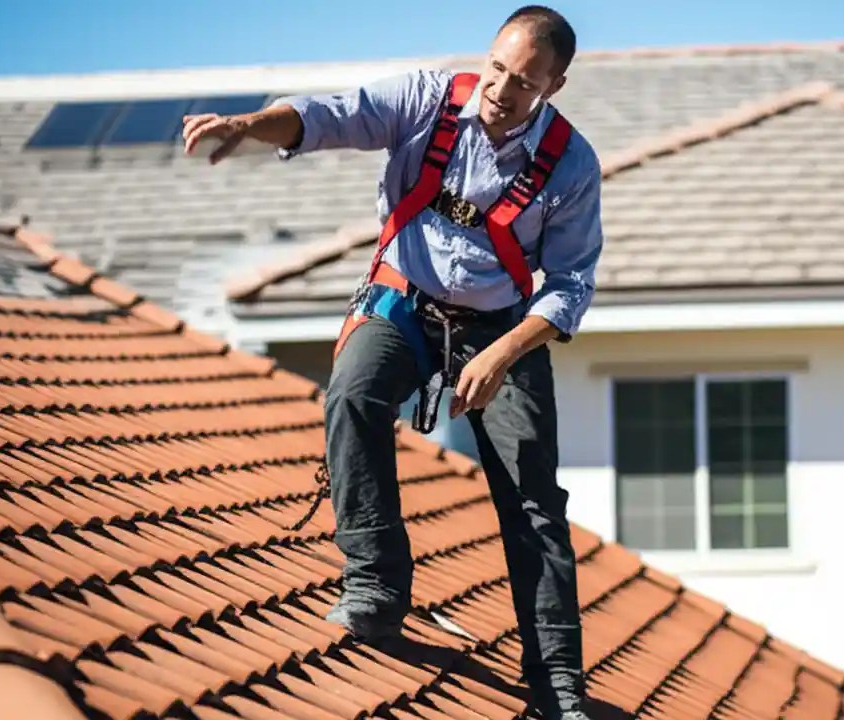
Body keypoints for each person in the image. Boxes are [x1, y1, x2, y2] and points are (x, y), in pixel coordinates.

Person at [181, 5, 601, 719]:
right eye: (496, 69)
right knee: (351, 394)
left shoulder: (571, 164)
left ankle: (556, 676)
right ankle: (376, 584)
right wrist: (250, 127)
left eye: (523, 83)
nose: (500, 90)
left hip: (500, 325)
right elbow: (328, 116)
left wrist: (503, 352)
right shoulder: (426, 101)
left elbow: (570, 283)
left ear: (553, 87)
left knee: (532, 493)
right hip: (404, 302)